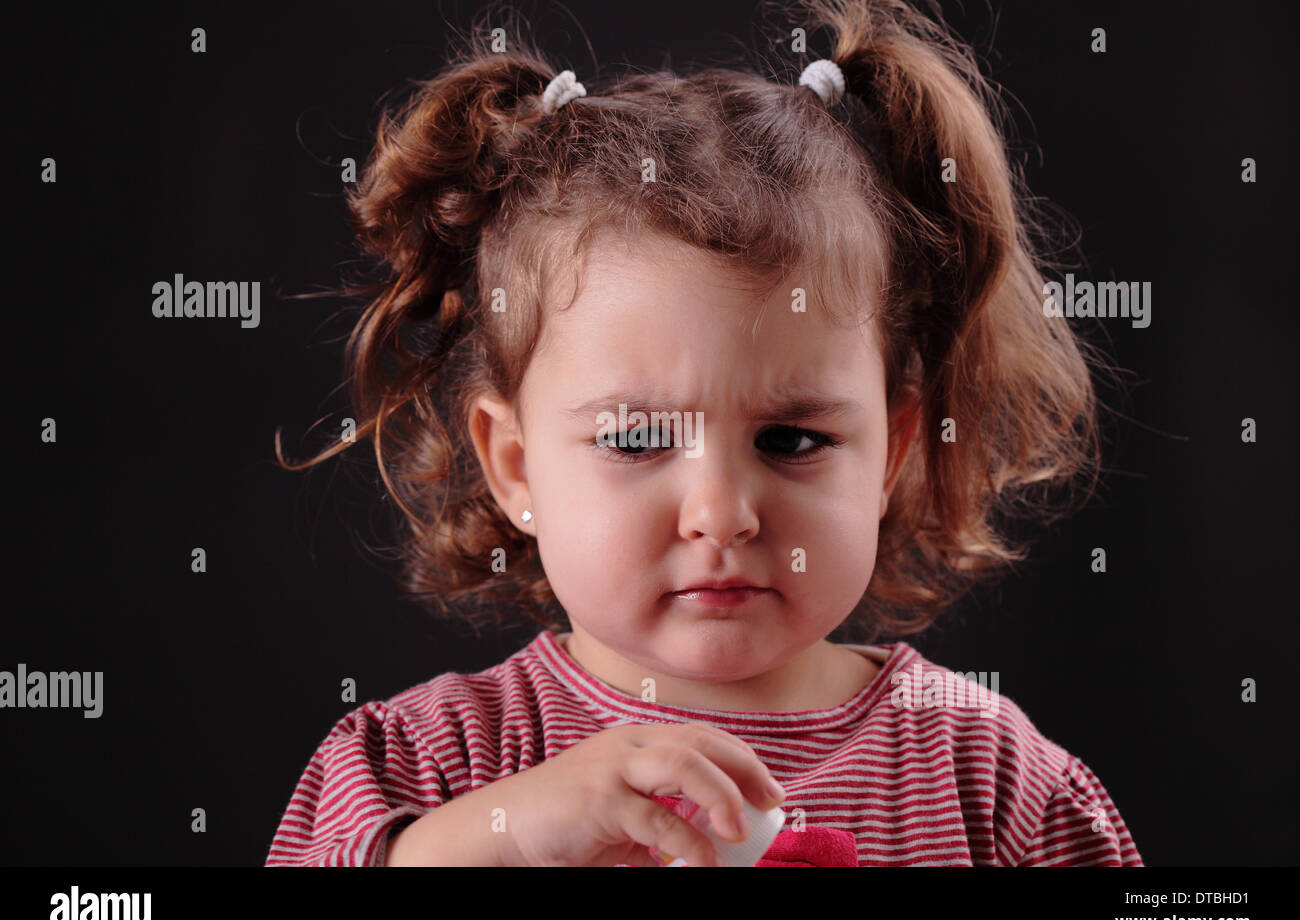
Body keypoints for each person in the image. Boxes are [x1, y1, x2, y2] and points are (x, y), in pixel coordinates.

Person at [266, 0, 1141, 867]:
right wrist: (496, 838)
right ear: (516, 465)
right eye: (639, 438)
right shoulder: (425, 767)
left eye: (793, 441)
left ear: (893, 451)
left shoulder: (992, 782)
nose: (721, 515)